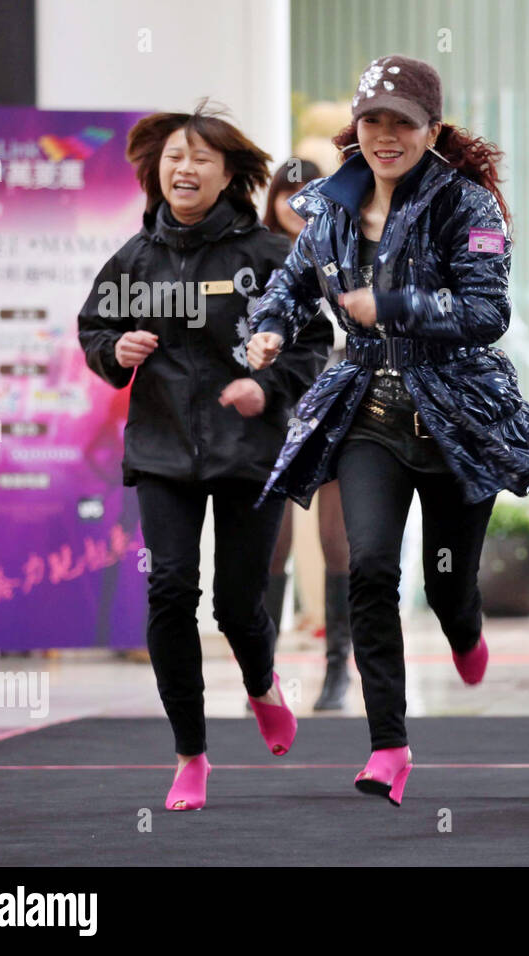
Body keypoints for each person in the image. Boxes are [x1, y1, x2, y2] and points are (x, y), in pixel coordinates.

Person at [246, 55, 529, 806]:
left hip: (455, 419)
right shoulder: (330, 206)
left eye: (402, 123)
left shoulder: (465, 204)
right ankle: (388, 744)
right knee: (371, 566)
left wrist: (398, 306)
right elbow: (285, 290)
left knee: (447, 585)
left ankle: (465, 627)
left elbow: (487, 314)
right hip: (368, 418)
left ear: (431, 130)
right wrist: (267, 333)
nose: (385, 136)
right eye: (373, 121)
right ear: (358, 126)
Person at [77, 103, 333, 811]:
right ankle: (191, 755)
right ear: (157, 175)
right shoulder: (134, 259)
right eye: (172, 160)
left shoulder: (270, 258)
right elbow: (95, 326)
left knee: (237, 605)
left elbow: (313, 342)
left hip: (250, 451)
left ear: (229, 175)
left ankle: (260, 685)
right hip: (163, 451)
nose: (183, 170)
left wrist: (266, 384)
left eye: (199, 159)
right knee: (170, 591)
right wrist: (113, 351)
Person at [259, 158, 356, 712]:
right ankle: (264, 674)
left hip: (341, 407)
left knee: (337, 541)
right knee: (273, 544)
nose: (294, 204)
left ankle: (338, 669)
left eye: (306, 193)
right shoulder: (258, 258)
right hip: (276, 409)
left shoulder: (345, 249)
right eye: (285, 193)